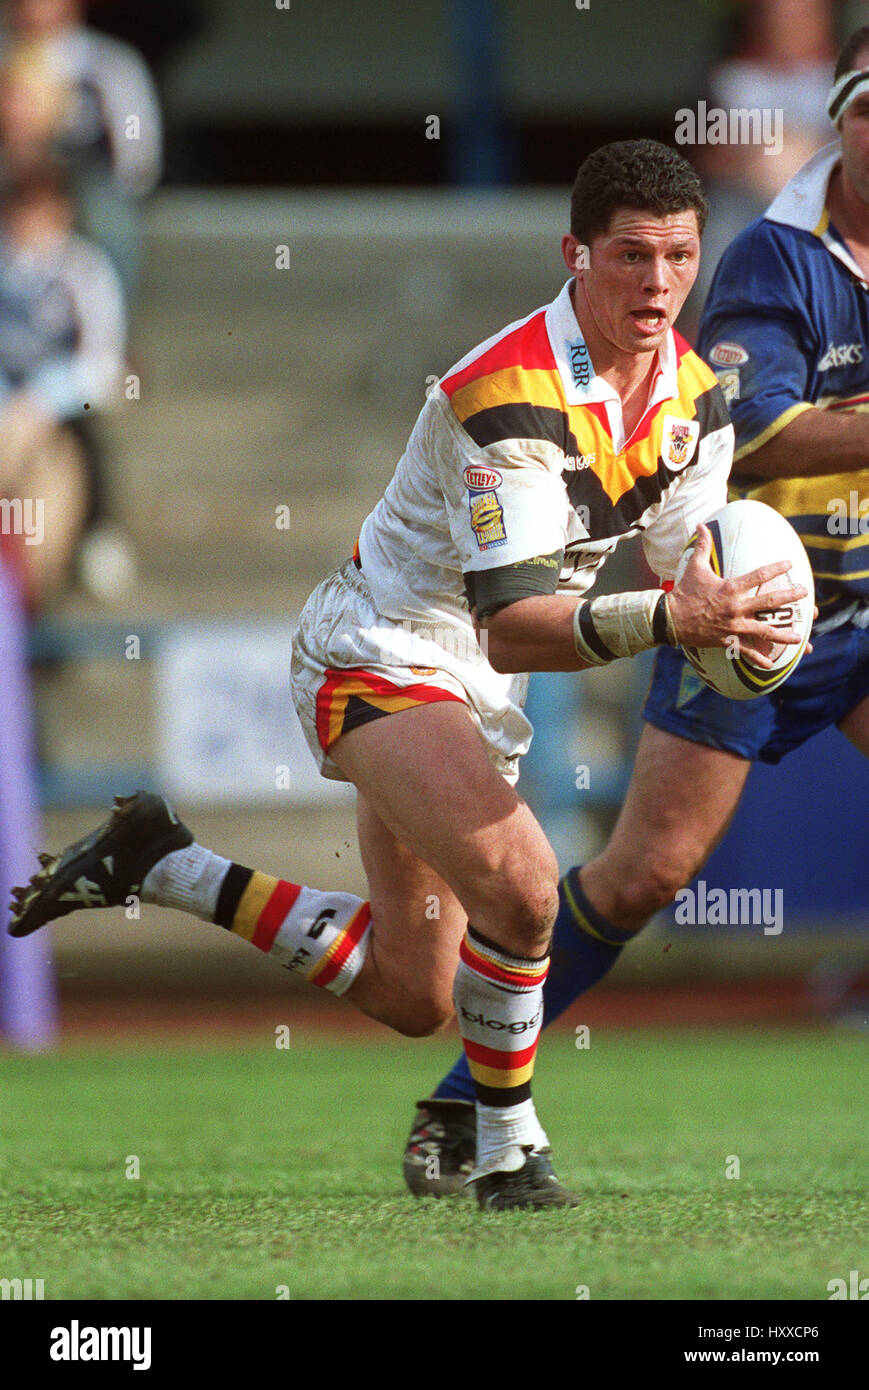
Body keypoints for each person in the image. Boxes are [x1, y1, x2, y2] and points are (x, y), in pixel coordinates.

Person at [7, 140, 806, 1210]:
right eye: (627, 256)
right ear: (574, 255)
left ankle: (162, 862)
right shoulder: (507, 392)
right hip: (376, 651)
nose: (657, 284)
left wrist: (740, 629)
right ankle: (506, 1151)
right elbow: (517, 626)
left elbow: (678, 569)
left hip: (473, 696)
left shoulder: (698, 402)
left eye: (675, 256)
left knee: (409, 990)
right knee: (526, 890)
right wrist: (675, 617)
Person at [402, 27, 869, 1198]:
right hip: (754, 601)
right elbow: (755, 429)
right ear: (838, 121)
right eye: (867, 110)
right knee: (642, 872)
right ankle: (469, 1098)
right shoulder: (777, 256)